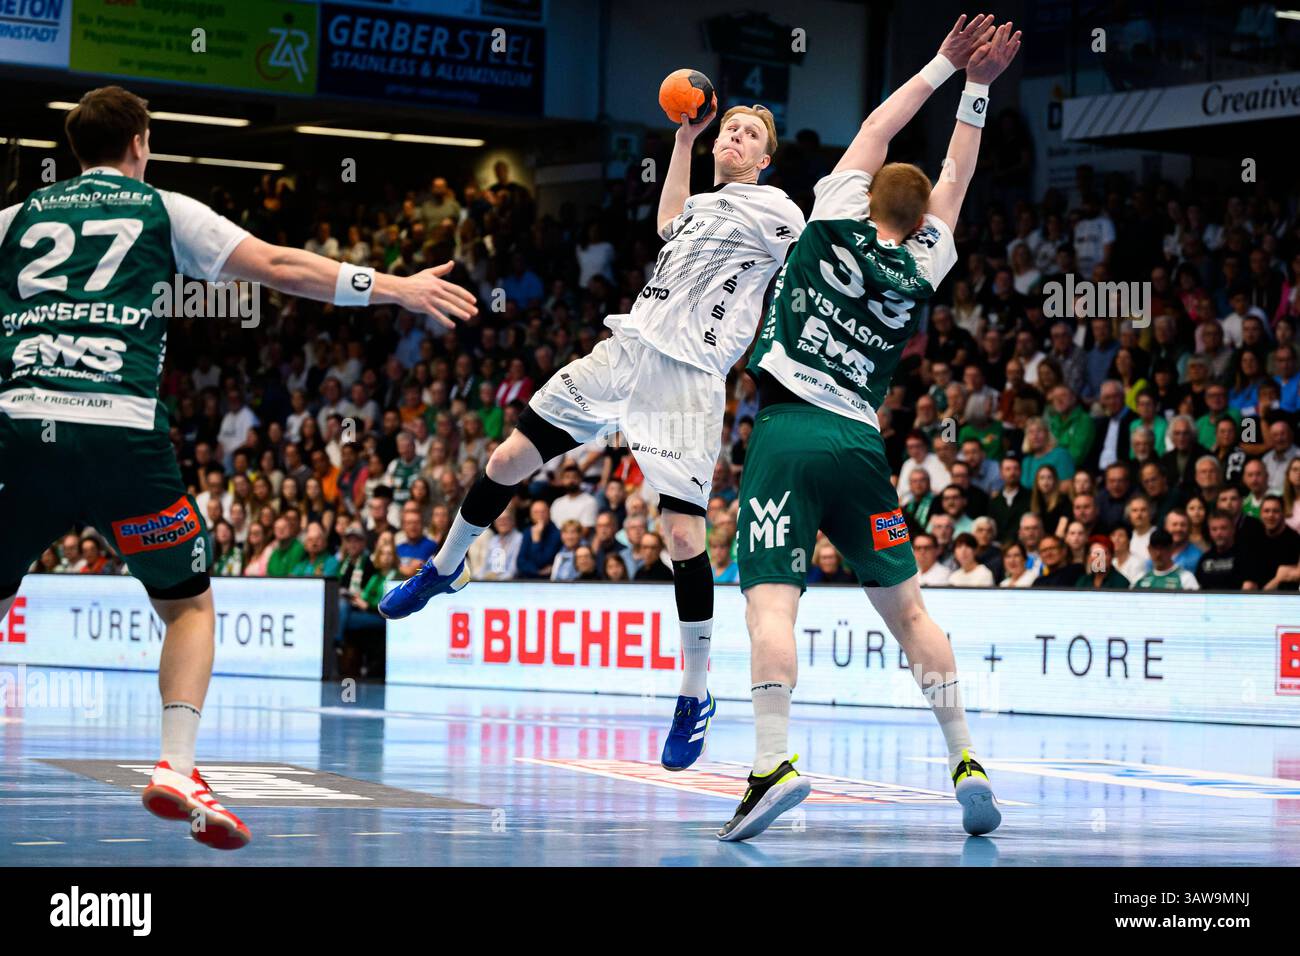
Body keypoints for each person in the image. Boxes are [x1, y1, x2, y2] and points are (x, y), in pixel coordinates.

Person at [0, 86, 476, 850]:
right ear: (141, 143)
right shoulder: (165, 209)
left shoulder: (16, 221)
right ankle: (178, 767)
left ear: (73, 150)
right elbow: (280, 266)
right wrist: (398, 289)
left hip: (18, 431)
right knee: (187, 606)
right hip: (123, 439)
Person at [382, 80, 806, 778]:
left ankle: (693, 697)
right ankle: (446, 566)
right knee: (509, 457)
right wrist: (683, 139)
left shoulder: (777, 212)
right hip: (626, 350)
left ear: (764, 159)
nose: (734, 137)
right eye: (728, 129)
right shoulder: (701, 204)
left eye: (749, 134)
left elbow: (816, 246)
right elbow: (669, 218)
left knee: (682, 538)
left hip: (690, 379)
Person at [720, 15, 1015, 842]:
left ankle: (772, 763)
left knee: (771, 605)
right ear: (923, 221)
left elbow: (878, 127)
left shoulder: (833, 210)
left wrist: (942, 64)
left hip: (787, 430)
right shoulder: (927, 258)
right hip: (861, 445)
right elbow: (957, 171)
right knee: (913, 614)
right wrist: (981, 88)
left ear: (871, 190)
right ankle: (966, 759)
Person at [1131, 528, 1200, 590]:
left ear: (1171, 549)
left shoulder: (1186, 578)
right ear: (1149, 549)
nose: (1158, 554)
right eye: (1155, 548)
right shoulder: (1140, 579)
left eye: (1162, 549)